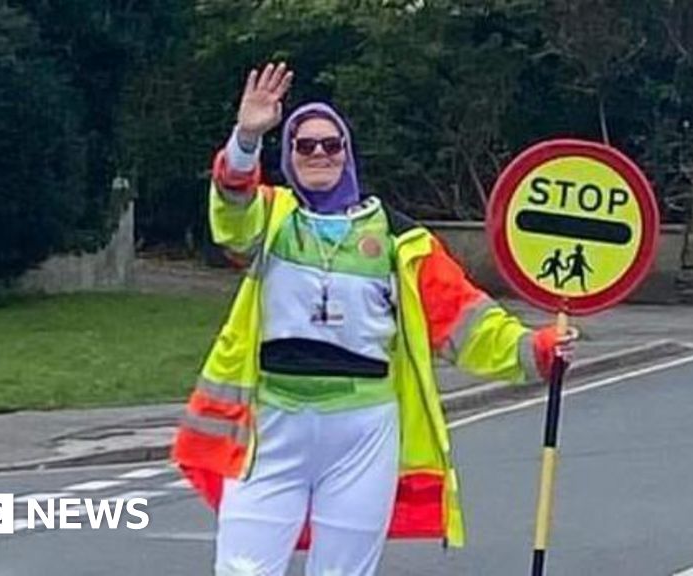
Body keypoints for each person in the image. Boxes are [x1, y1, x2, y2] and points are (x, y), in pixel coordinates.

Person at [172, 62, 576, 576]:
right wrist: (248, 136)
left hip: (362, 432)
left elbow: (465, 321)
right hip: (271, 424)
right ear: (289, 156)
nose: (319, 154)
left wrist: (536, 350)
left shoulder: (400, 240)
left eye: (331, 144)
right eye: (305, 145)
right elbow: (231, 215)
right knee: (243, 568)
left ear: (348, 153)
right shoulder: (271, 219)